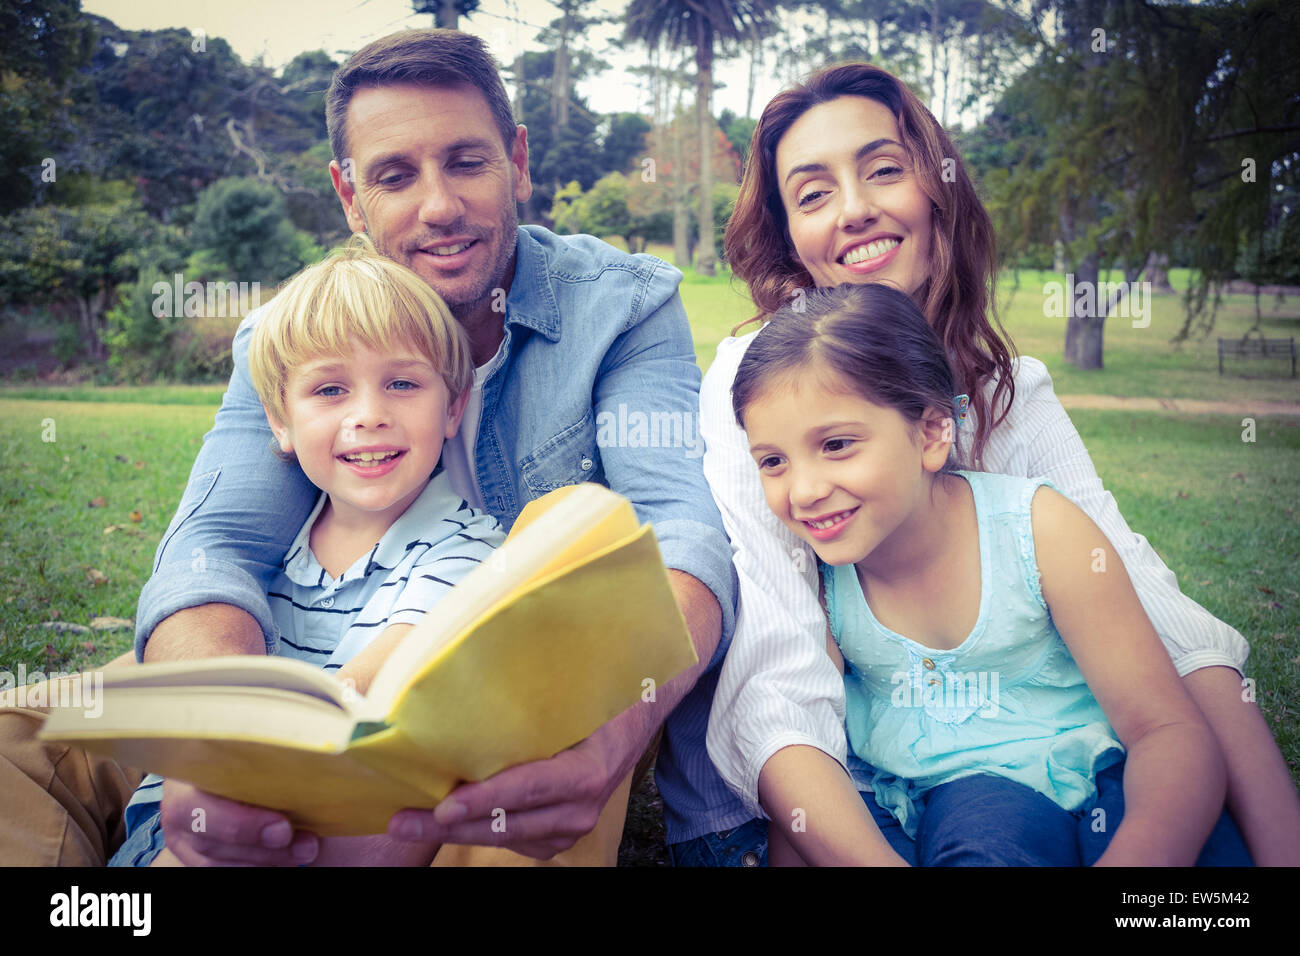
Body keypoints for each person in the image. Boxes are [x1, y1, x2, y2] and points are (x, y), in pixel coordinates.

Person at [0, 29, 738, 867]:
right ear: (350, 197)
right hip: (307, 656)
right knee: (19, 741)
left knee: (521, 758)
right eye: (394, 176)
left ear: (518, 162)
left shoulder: (622, 307)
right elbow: (218, 546)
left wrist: (618, 729)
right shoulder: (290, 336)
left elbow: (682, 536)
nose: (439, 206)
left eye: (467, 162)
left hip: (517, 693)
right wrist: (223, 744)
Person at [698, 61, 1300, 866]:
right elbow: (779, 673)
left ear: (937, 190)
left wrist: (1283, 847)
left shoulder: (1006, 389)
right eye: (812, 194)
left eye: (884, 170)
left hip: (1073, 761)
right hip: (918, 794)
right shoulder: (754, 386)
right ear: (789, 238)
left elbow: (1161, 623)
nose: (855, 208)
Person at [730, 282, 1250, 865]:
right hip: (970, 800)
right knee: (986, 840)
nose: (803, 490)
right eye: (773, 460)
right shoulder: (818, 582)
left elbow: (1166, 731)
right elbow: (801, 753)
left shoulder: (1040, 530)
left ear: (932, 433)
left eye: (837, 444)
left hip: (1105, 771)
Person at [108, 237, 505, 866]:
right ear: (280, 421)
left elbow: (390, 679)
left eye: (402, 383)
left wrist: (250, 764)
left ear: (454, 408)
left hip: (311, 820)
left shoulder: (466, 550)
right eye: (329, 391)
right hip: (177, 825)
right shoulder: (266, 555)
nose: (369, 414)